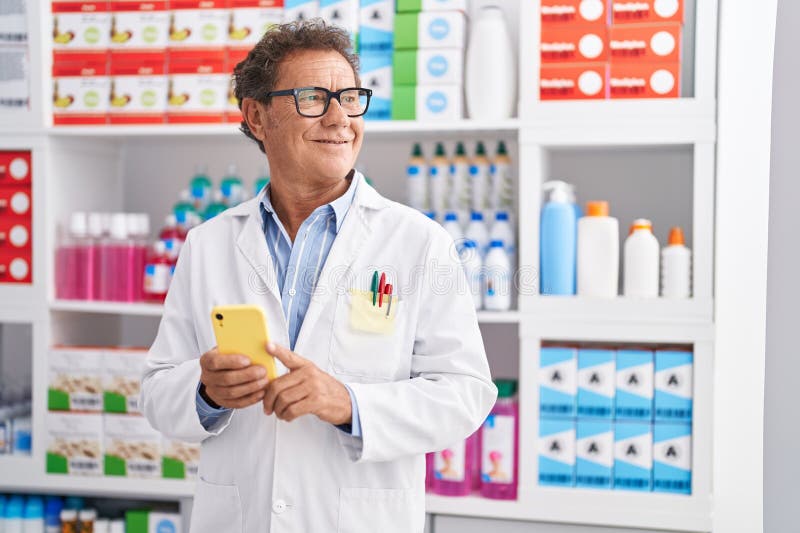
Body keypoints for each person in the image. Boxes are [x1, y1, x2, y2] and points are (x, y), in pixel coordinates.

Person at [140, 20, 496, 533]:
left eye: (351, 97)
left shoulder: (418, 242)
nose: (340, 118)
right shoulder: (209, 244)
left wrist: (349, 403)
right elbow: (156, 390)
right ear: (257, 116)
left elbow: (466, 393)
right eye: (313, 97)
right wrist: (206, 391)